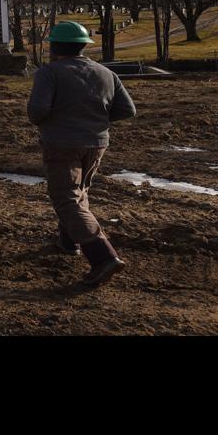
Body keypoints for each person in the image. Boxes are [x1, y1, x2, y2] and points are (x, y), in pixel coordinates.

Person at [26, 21, 137, 289]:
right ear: (84, 45)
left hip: (62, 142)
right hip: (97, 143)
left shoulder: (49, 73)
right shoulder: (106, 73)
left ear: (53, 46)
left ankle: (103, 257)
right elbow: (127, 110)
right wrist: (94, 119)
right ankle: (69, 241)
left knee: (66, 198)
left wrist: (59, 118)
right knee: (79, 191)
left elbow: (36, 112)